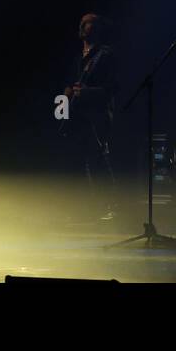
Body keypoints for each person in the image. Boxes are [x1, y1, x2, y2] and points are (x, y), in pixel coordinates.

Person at [63, 12, 118, 220]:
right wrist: (64, 102)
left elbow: (112, 88)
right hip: (79, 115)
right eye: (83, 22)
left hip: (98, 114)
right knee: (84, 160)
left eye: (89, 23)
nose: (84, 26)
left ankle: (110, 206)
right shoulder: (79, 58)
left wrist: (87, 92)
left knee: (99, 157)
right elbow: (70, 84)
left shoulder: (105, 55)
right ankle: (89, 208)